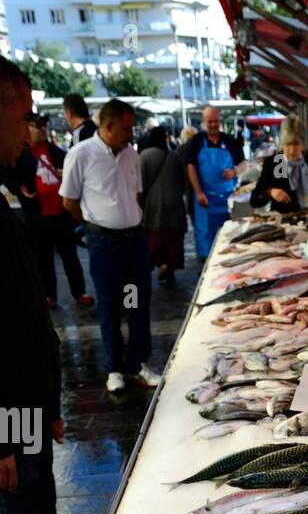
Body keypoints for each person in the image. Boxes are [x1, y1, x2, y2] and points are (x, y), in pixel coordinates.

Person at [0, 56, 72, 514]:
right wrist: (4, 435)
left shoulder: (3, 190)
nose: (30, 134)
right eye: (22, 116)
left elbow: (18, 321)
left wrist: (42, 403)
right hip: (4, 426)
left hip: (21, 414)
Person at [60, 98, 159, 394]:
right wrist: (91, 226)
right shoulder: (81, 155)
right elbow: (69, 201)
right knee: (110, 307)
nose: (131, 134)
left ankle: (138, 363)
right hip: (104, 243)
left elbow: (135, 194)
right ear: (108, 125)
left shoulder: (131, 154)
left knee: (136, 303)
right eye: (126, 128)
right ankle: (115, 367)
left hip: (134, 241)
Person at [21, 114, 93, 310]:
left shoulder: (57, 152)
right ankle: (49, 295)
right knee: (44, 259)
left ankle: (79, 291)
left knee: (70, 256)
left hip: (60, 215)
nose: (42, 129)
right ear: (27, 128)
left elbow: (72, 174)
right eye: (37, 126)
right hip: (39, 217)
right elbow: (12, 175)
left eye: (44, 126)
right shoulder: (21, 154)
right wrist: (18, 188)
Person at [185, 106, 244, 258]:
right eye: (210, 122)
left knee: (230, 237)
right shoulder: (196, 142)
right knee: (206, 239)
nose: (213, 125)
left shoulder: (230, 141)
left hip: (228, 199)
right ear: (204, 122)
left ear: (220, 121)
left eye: (216, 121)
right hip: (205, 200)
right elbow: (190, 167)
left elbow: (244, 164)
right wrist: (198, 192)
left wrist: (234, 171)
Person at [250, 116, 308, 214]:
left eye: (296, 144)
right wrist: (270, 192)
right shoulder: (277, 162)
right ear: (282, 143)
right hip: (285, 223)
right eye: (288, 144)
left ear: (303, 143)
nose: (292, 150)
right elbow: (254, 200)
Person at [139, 125, 186, 286]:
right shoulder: (174, 156)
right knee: (172, 242)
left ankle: (156, 267)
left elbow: (141, 185)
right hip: (175, 207)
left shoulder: (144, 156)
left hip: (154, 208)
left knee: (155, 241)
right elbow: (183, 182)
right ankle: (169, 269)